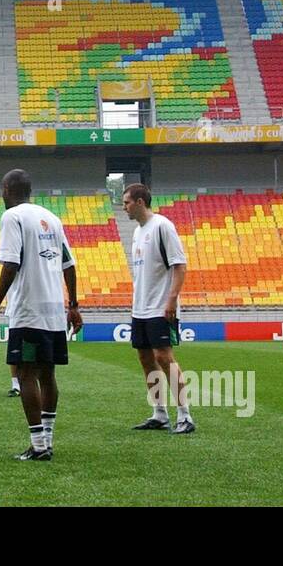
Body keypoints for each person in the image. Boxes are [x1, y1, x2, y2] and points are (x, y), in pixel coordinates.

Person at [0, 169, 81, 461]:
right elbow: (69, 264)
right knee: (47, 373)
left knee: (26, 372)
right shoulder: (51, 218)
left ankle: (39, 445)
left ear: (6, 189)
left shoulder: (12, 217)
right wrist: (73, 305)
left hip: (28, 309)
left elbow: (11, 264)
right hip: (53, 310)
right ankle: (48, 439)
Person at [121, 183, 194, 435]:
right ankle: (159, 414)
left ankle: (185, 415)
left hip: (161, 307)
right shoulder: (137, 232)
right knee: (145, 358)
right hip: (140, 308)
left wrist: (171, 300)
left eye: (127, 202)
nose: (124, 207)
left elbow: (180, 266)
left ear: (140, 202)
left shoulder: (163, 226)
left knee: (164, 356)